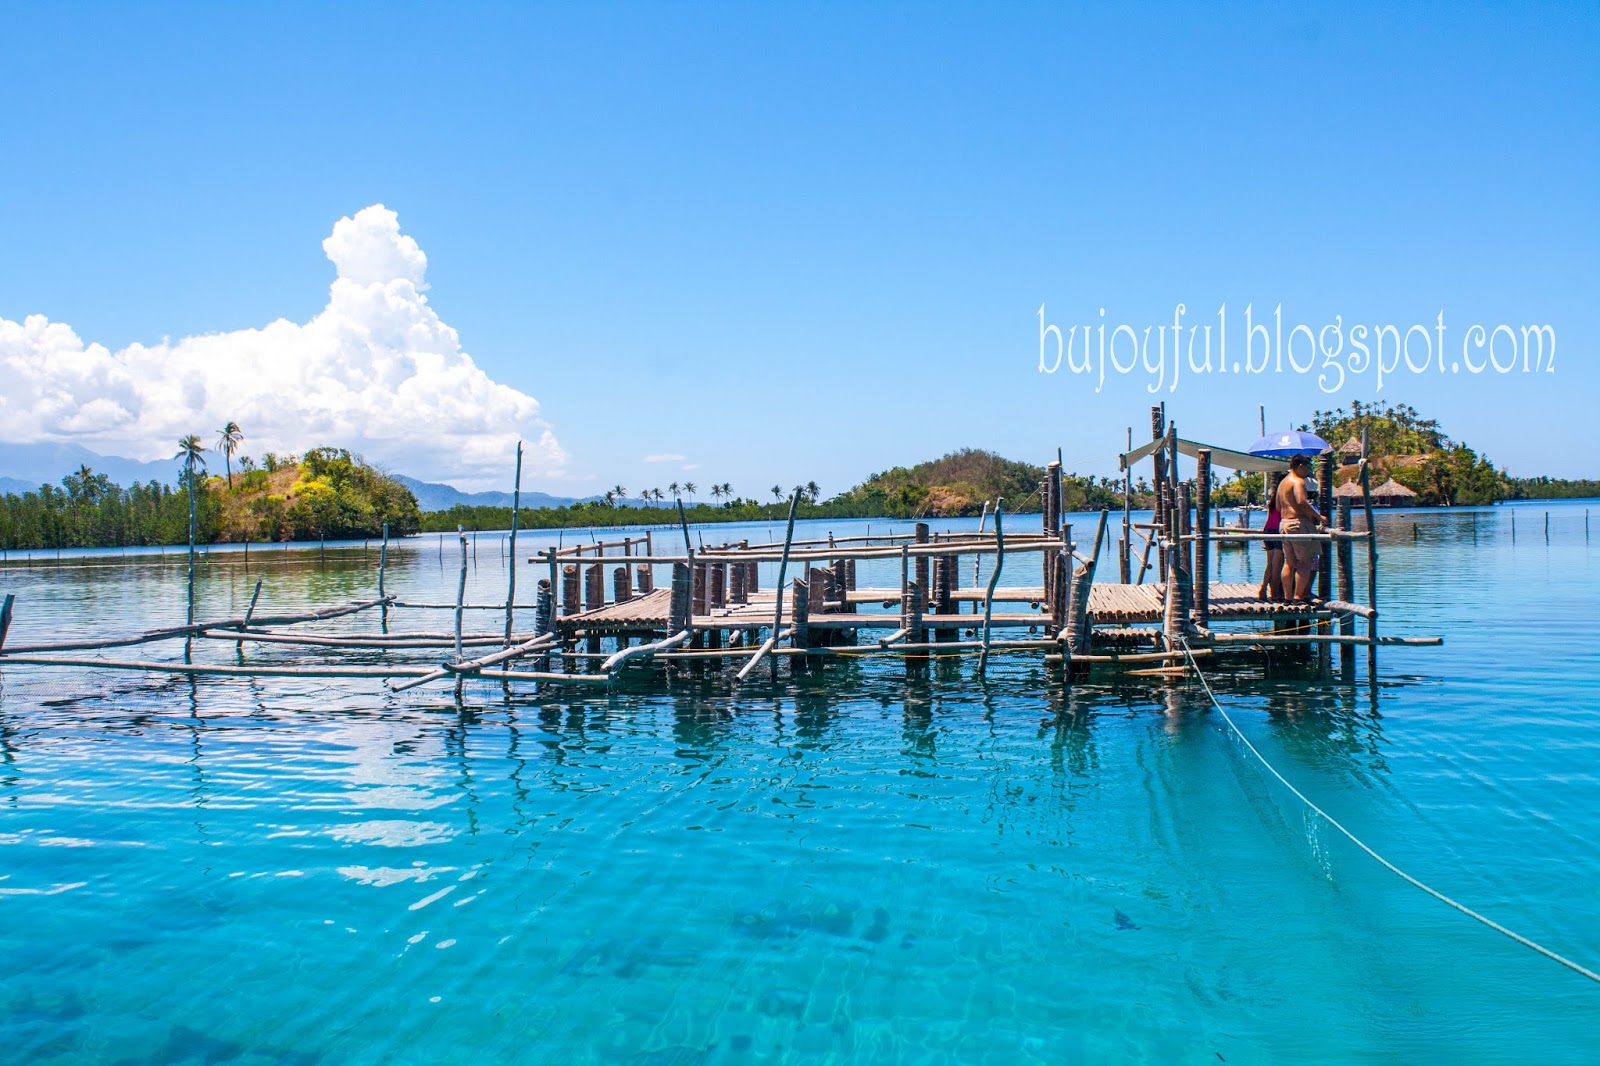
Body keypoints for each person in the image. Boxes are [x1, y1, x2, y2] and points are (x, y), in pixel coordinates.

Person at [1275, 455, 1324, 604]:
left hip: (1284, 524)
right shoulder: (1298, 481)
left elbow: (1278, 506)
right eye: (1308, 467)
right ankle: (1298, 597)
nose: (1308, 471)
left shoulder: (1283, 483)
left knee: (1289, 563)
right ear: (1300, 466)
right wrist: (1319, 517)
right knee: (1305, 562)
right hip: (1297, 524)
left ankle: (1288, 597)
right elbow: (1302, 501)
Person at [1257, 478, 1284, 601]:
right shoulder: (1284, 498)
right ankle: (1274, 593)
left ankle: (1263, 589)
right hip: (1277, 531)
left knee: (1270, 564)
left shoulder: (1273, 500)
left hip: (1267, 530)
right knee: (1277, 565)